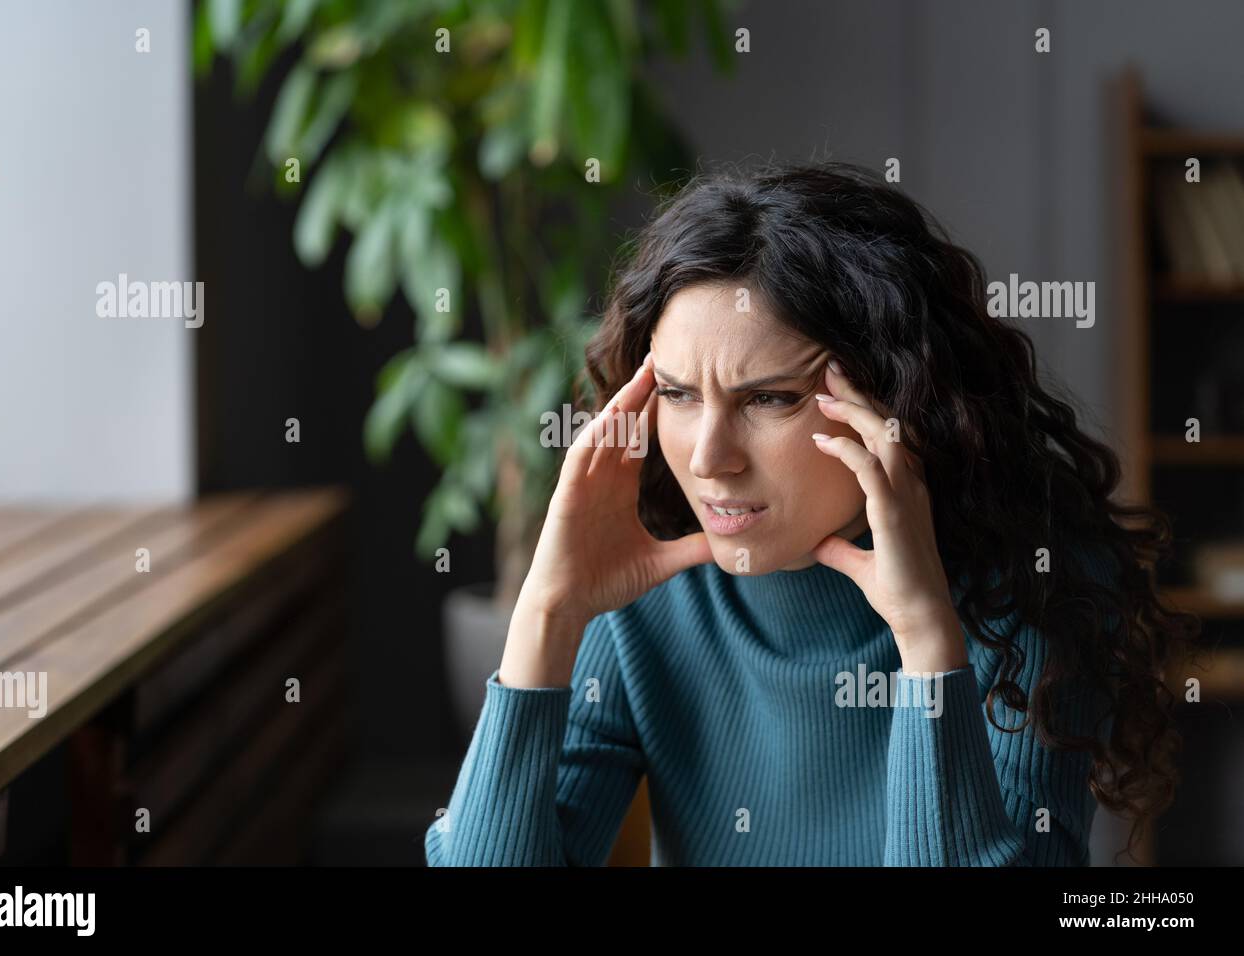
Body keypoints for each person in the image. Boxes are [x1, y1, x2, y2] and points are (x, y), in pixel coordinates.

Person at [424, 160, 1199, 866]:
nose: (707, 457)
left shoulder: (1031, 588)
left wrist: (929, 641)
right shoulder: (647, 596)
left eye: (769, 398)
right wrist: (548, 615)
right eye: (680, 396)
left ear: (896, 399)